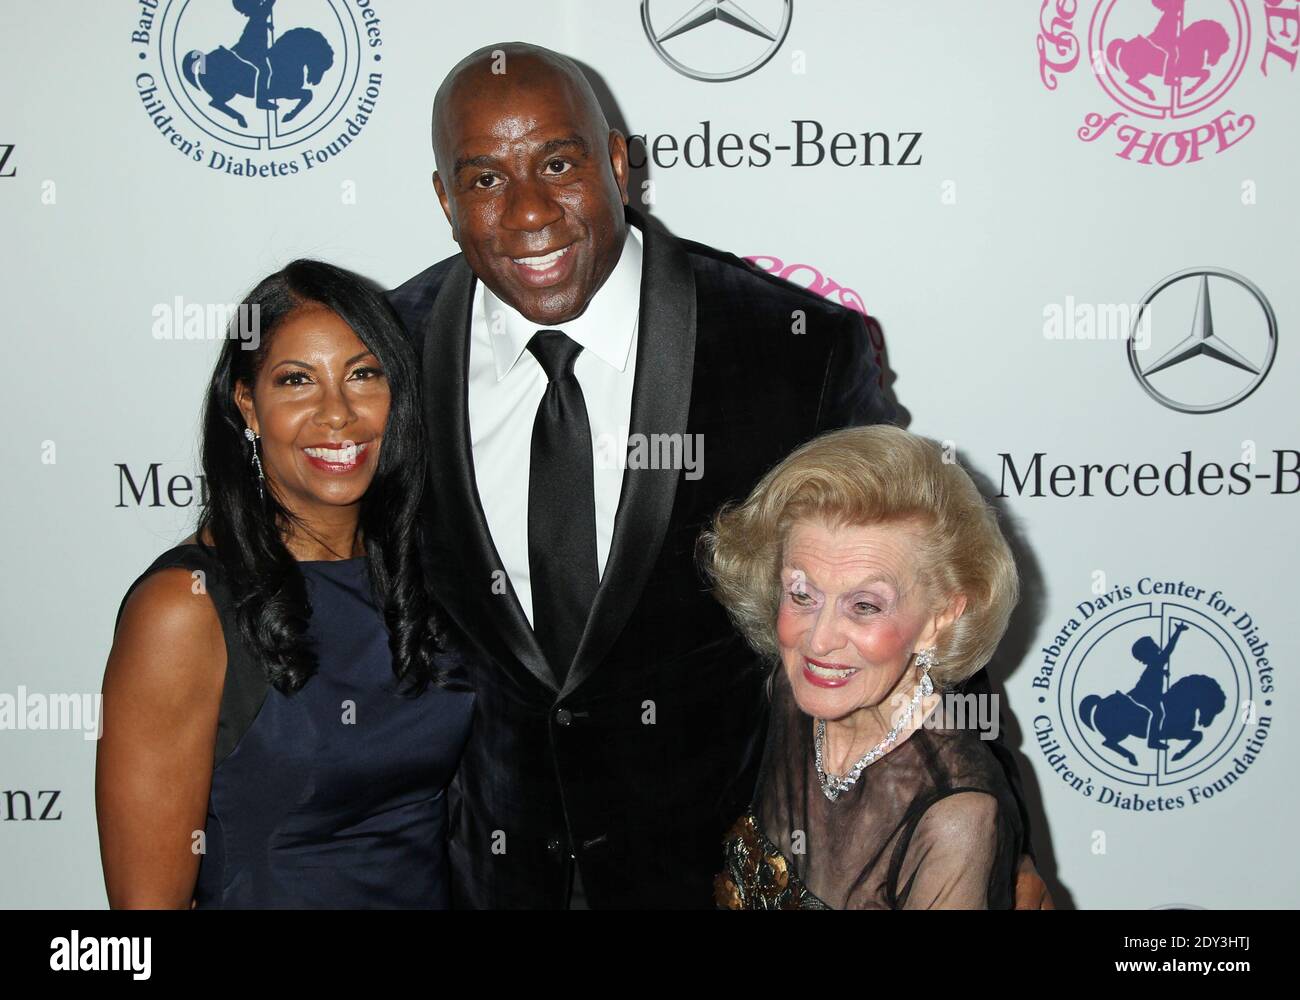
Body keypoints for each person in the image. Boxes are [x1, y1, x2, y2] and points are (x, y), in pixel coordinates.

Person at [388, 41, 1049, 908]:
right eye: (484, 180)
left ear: (620, 162)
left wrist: (1005, 838)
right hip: (488, 879)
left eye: (558, 162)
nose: (529, 212)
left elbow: (914, 582)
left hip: (726, 875)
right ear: (444, 198)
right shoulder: (384, 352)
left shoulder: (789, 348)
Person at [97, 260, 473, 908]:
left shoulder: (430, 575)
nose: (338, 414)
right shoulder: (184, 610)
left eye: (363, 374)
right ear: (247, 402)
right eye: (297, 380)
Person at [703, 425, 1023, 908]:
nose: (820, 639)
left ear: (939, 620)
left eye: (866, 606)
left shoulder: (953, 819)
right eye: (802, 594)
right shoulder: (792, 692)